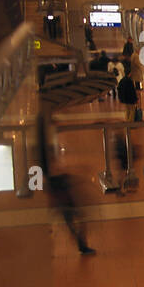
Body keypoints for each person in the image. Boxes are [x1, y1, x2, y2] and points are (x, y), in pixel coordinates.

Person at [36, 107, 94, 254]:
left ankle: (80, 244)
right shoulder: (47, 147)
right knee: (74, 216)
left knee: (68, 218)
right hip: (59, 185)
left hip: (56, 184)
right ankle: (81, 244)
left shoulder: (46, 143)